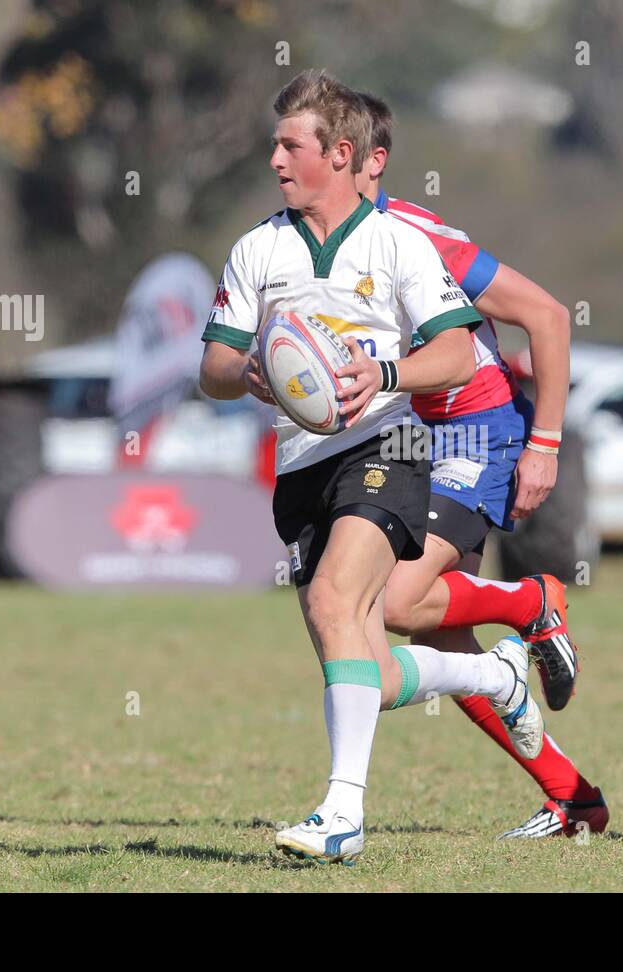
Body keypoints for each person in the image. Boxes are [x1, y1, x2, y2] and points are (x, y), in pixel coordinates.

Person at [199, 70, 546, 864]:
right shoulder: (259, 247)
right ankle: (496, 679)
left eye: (292, 146)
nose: (277, 161)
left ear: (341, 152)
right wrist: (246, 372)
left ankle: (342, 816)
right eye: (276, 146)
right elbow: (210, 368)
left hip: (387, 447)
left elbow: (456, 352)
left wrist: (384, 375)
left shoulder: (398, 244)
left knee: (333, 598)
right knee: (371, 667)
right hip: (300, 469)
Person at [352, 90, 608, 839]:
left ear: (370, 162)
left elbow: (551, 317)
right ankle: (573, 799)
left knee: (397, 603)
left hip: (477, 432)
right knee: (436, 641)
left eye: (331, 153)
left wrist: (545, 445)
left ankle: (531, 603)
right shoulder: (312, 250)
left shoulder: (420, 237)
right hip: (408, 443)